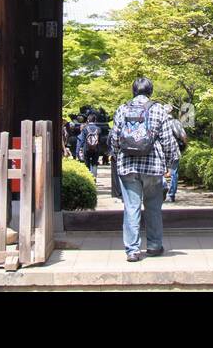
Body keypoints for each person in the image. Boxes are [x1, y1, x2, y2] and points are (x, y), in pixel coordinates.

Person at [110, 76, 178, 262]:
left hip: (128, 166)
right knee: (153, 207)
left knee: (131, 207)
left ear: (133, 91)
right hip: (153, 167)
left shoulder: (122, 109)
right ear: (150, 91)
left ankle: (132, 250)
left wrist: (118, 156)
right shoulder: (158, 110)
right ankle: (154, 246)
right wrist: (171, 164)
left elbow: (114, 139)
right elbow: (167, 140)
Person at [165, 108, 188, 202]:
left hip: (160, 152)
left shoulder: (158, 122)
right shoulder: (176, 123)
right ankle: (171, 195)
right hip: (174, 151)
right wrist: (185, 146)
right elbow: (184, 136)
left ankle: (160, 193)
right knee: (173, 173)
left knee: (159, 173)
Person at [80, 113, 103, 178]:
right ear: (95, 120)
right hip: (96, 148)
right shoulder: (98, 129)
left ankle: (88, 178)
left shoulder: (85, 128)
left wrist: (81, 148)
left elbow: (82, 140)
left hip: (86, 148)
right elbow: (100, 140)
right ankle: (94, 178)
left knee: (87, 163)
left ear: (88, 120)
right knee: (94, 163)